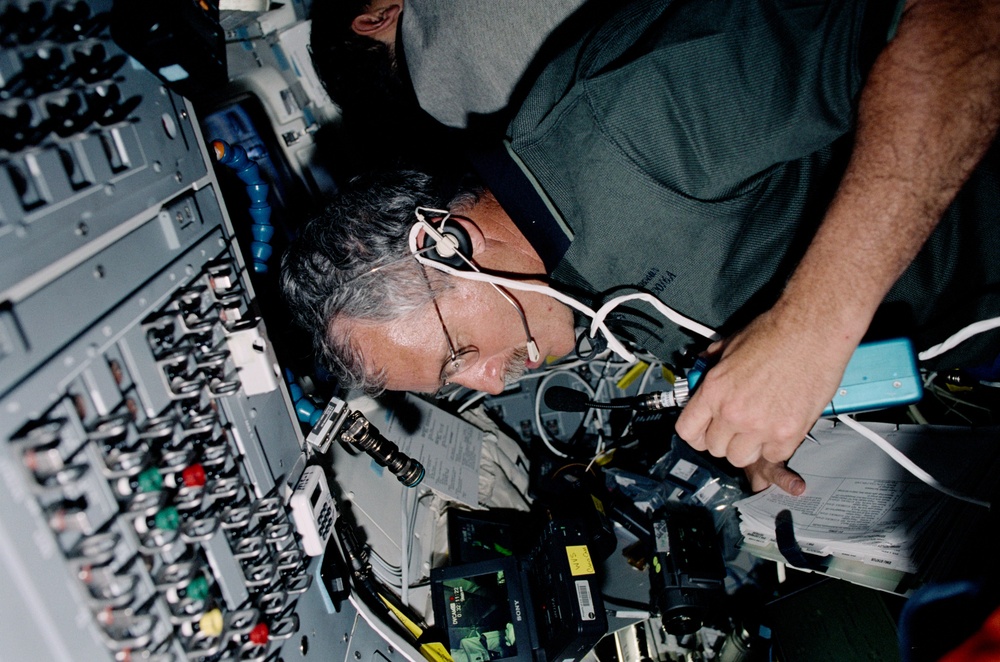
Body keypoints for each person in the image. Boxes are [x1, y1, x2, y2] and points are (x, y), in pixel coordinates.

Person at [285, 0, 1000, 494]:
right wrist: (756, 411)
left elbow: (958, 25)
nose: (492, 384)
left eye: (458, 357)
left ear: (445, 243)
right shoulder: (572, 281)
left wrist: (812, 328)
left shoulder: (630, 123)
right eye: (457, 382)